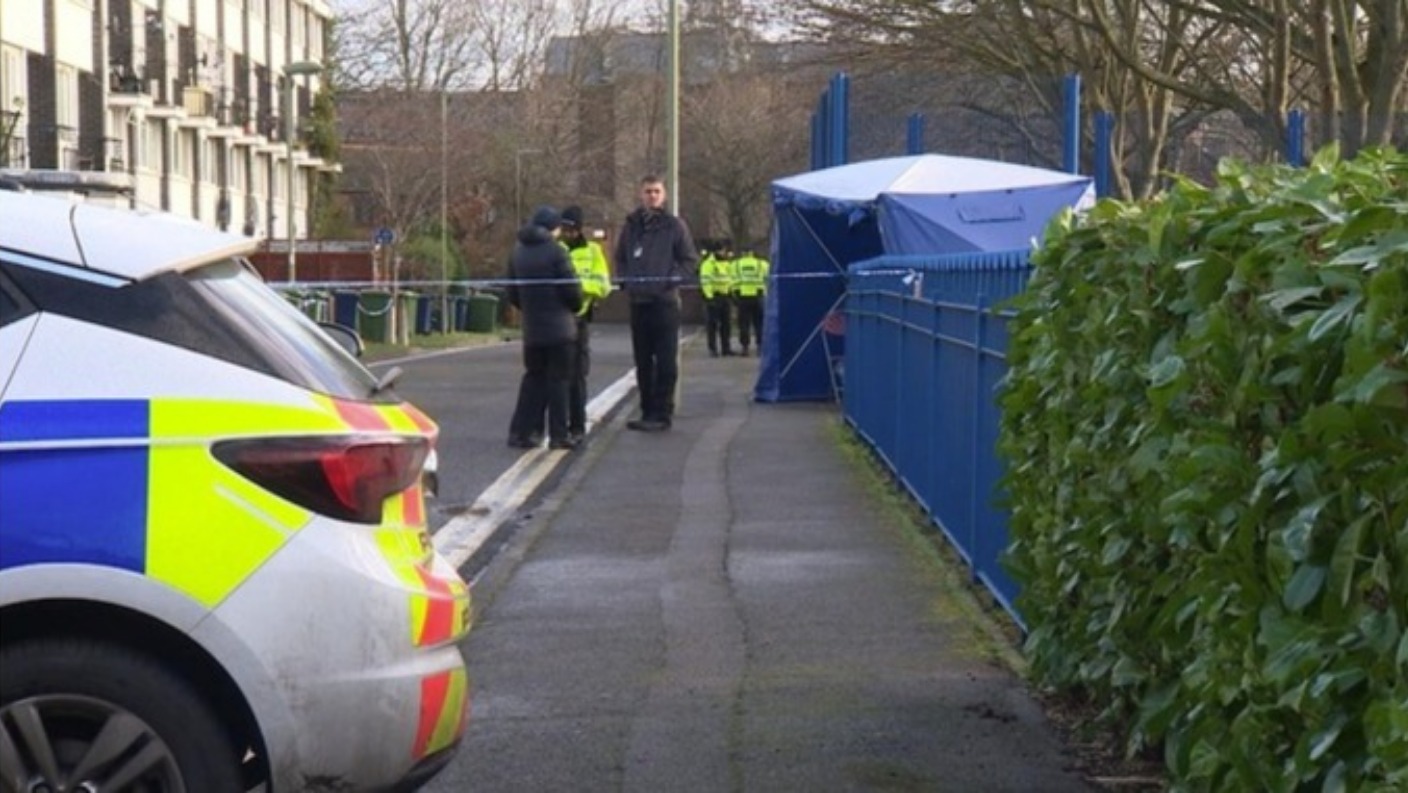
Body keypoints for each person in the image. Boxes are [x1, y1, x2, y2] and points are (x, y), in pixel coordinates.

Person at [614, 175, 699, 432]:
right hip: (639, 303)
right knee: (642, 361)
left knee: (665, 361)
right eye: (648, 191)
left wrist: (669, 281)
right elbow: (621, 258)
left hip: (664, 303)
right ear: (641, 194)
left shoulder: (674, 226)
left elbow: (689, 261)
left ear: (664, 195)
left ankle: (662, 413)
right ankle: (647, 410)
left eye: (657, 191)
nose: (652, 196)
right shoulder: (631, 227)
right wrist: (627, 281)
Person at [506, 205, 583, 450]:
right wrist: (575, 306)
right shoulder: (556, 252)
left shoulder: (517, 252)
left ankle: (521, 432)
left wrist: (528, 309)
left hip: (533, 328)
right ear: (554, 228)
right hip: (560, 328)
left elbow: (512, 292)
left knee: (533, 379)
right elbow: (571, 290)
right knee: (559, 381)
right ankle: (559, 435)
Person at [560, 205, 612, 444]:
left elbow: (604, 285)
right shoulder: (556, 249)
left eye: (571, 228)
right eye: (564, 228)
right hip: (559, 319)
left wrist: (580, 288)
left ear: (579, 229)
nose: (567, 233)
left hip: (580, 319)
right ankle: (559, 427)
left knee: (578, 375)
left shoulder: (593, 251)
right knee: (558, 376)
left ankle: (577, 426)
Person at [698, 242, 735, 357]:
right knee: (712, 325)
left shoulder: (726, 263)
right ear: (716, 251)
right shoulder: (708, 264)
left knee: (726, 324)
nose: (724, 252)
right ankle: (712, 349)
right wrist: (709, 297)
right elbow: (706, 281)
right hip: (714, 296)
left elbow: (729, 279)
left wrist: (731, 293)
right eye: (722, 250)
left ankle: (726, 348)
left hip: (725, 296)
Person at [733, 244, 769, 356]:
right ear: (752, 253)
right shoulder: (762, 264)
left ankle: (745, 347)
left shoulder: (736, 265)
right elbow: (768, 279)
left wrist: (734, 295)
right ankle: (760, 347)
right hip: (758, 296)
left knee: (744, 324)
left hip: (742, 297)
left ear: (743, 253)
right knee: (759, 323)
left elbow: (732, 280)